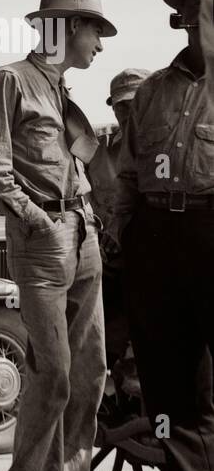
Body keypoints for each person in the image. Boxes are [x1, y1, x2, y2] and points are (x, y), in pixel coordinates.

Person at [0, 0, 117, 471]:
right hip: (45, 238)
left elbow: (85, 166)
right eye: (95, 30)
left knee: (87, 372)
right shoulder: (9, 81)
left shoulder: (64, 95)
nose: (100, 44)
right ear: (67, 27)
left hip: (84, 235)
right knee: (51, 371)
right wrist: (37, 219)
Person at [116, 0, 214, 471]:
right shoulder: (151, 91)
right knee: (175, 396)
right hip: (158, 240)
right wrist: (132, 234)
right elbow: (127, 174)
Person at [87, 68, 150, 382]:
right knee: (96, 336)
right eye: (119, 106)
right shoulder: (100, 146)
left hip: (149, 262)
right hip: (106, 262)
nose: (126, 113)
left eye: (133, 104)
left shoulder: (164, 148)